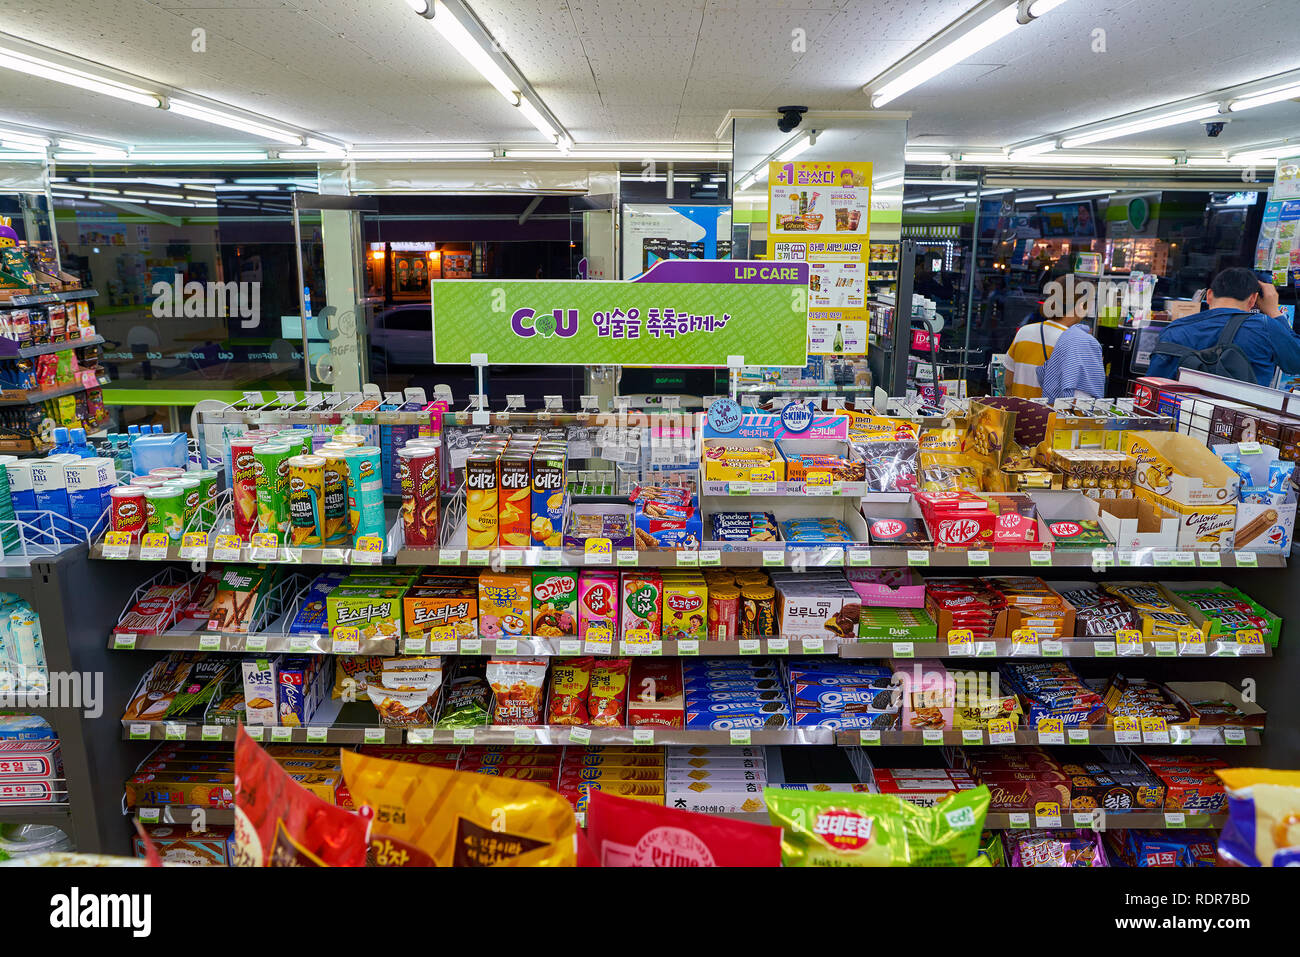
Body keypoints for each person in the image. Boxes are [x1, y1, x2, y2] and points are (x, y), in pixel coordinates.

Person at [1147, 268, 1300, 386]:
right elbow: (1296, 363)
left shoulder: (1173, 330)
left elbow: (1152, 386)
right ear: (1253, 299)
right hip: (1240, 423)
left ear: (1209, 295)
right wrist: (1274, 311)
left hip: (1176, 419)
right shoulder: (1264, 326)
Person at [1003, 286, 1069, 399]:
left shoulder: (1023, 332)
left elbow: (1008, 383)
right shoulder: (1072, 340)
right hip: (1049, 415)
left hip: (1018, 411)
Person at [1039, 310, 1105, 401]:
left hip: (1050, 404)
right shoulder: (1085, 342)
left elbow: (1045, 372)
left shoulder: (1064, 338)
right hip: (1078, 404)